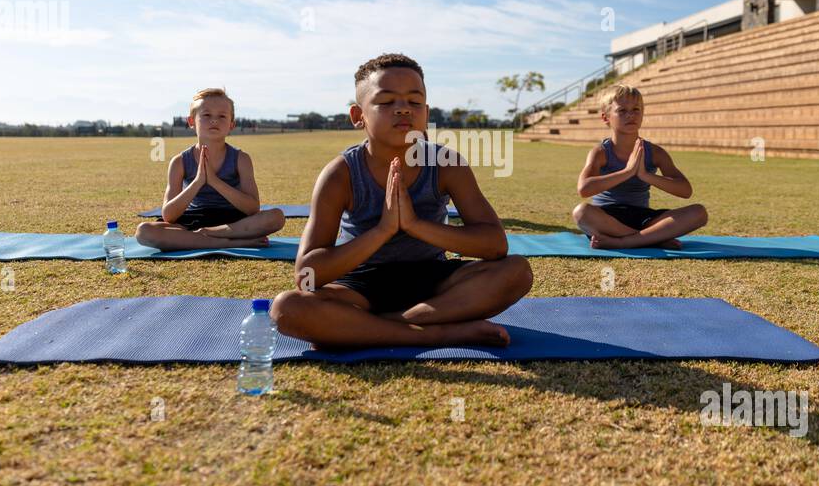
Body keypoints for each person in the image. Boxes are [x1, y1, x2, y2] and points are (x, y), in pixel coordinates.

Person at [271, 53, 533, 348]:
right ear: (359, 116)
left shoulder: (445, 163)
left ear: (426, 111)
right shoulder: (341, 174)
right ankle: (437, 333)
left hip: (435, 282)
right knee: (287, 308)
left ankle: (379, 327)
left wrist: (414, 224)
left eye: (414, 101)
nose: (403, 110)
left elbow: (495, 245)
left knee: (516, 272)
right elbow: (307, 275)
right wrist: (383, 230)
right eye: (386, 102)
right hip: (360, 285)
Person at [135, 88, 285, 250]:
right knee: (144, 231)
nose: (214, 120)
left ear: (231, 125)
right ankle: (230, 243)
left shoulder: (241, 159)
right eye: (206, 115)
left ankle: (211, 235)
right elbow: (169, 215)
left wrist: (214, 181)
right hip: (192, 221)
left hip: (233, 223)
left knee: (276, 217)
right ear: (191, 122)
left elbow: (252, 208)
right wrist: (198, 181)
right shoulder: (179, 162)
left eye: (222, 116)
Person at [572, 84, 708, 249]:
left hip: (644, 218)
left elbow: (685, 191)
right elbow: (584, 189)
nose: (630, 115)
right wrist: (627, 172)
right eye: (622, 111)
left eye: (636, 109)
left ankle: (626, 241)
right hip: (608, 218)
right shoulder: (601, 152)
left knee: (699, 213)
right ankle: (653, 239)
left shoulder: (655, 152)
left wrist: (646, 175)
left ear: (642, 114)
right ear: (606, 117)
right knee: (582, 213)